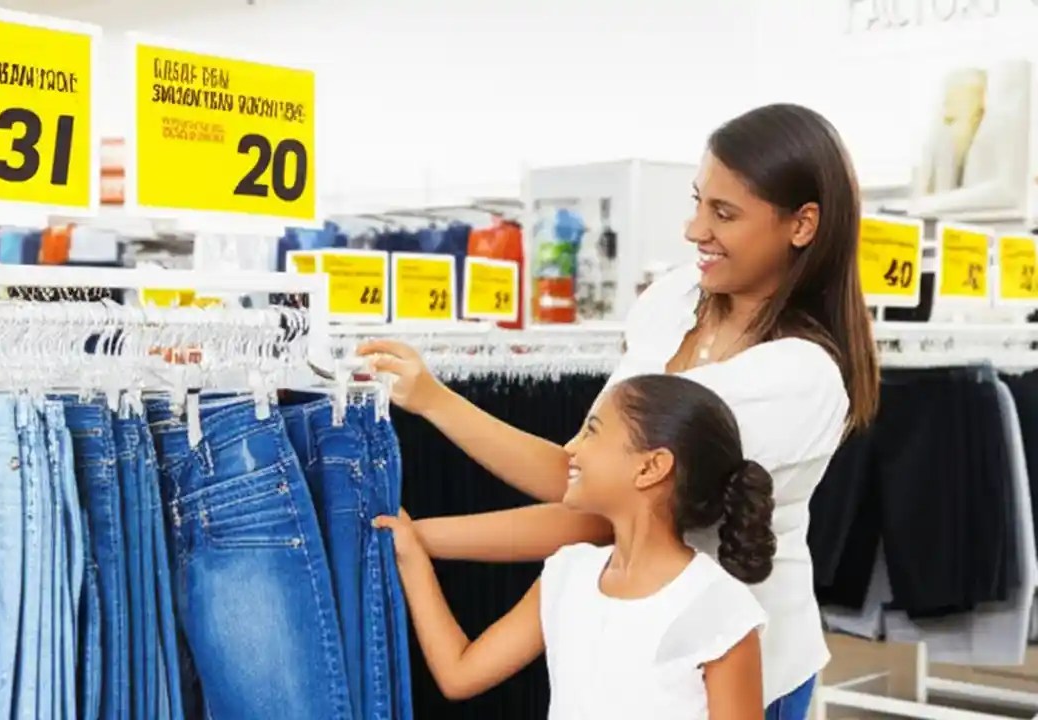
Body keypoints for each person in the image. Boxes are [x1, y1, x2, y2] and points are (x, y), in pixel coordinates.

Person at [359, 102, 880, 719]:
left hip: (725, 664)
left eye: (724, 213)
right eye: (697, 202)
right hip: (625, 634)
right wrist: (433, 399)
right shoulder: (675, 300)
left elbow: (599, 514)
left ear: (802, 225)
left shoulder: (797, 378)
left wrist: (423, 538)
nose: (694, 230)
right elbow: (576, 468)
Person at [375, 374, 775, 718]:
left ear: (650, 467)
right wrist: (411, 555)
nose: (570, 447)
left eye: (592, 431)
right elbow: (459, 675)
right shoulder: (569, 572)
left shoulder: (718, 608)